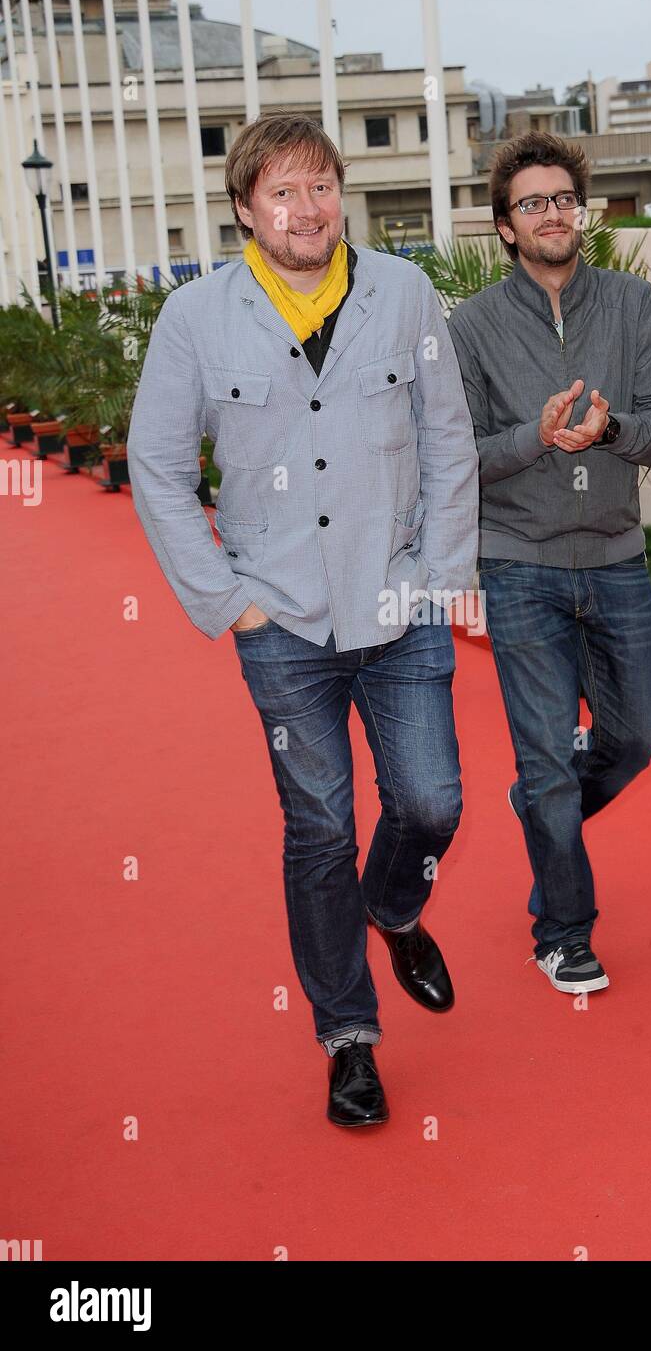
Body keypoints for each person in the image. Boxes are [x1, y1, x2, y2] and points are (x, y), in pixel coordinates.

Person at [127, 113, 478, 1126]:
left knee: (433, 803)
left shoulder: (403, 293)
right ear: (245, 208)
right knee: (319, 827)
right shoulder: (196, 320)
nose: (307, 209)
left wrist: (441, 571)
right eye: (284, 192)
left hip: (396, 599)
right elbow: (154, 464)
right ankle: (349, 1038)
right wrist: (225, 601)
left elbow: (447, 437)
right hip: (278, 621)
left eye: (322, 188)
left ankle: (396, 906)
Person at [447, 131, 651, 996]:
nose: (551, 215)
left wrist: (612, 429)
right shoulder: (469, 326)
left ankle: (543, 816)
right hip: (518, 564)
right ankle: (564, 931)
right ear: (504, 227)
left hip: (617, 556)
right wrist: (536, 436)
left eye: (562, 200)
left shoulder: (630, 303)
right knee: (545, 758)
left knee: (634, 738)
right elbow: (460, 455)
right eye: (531, 204)